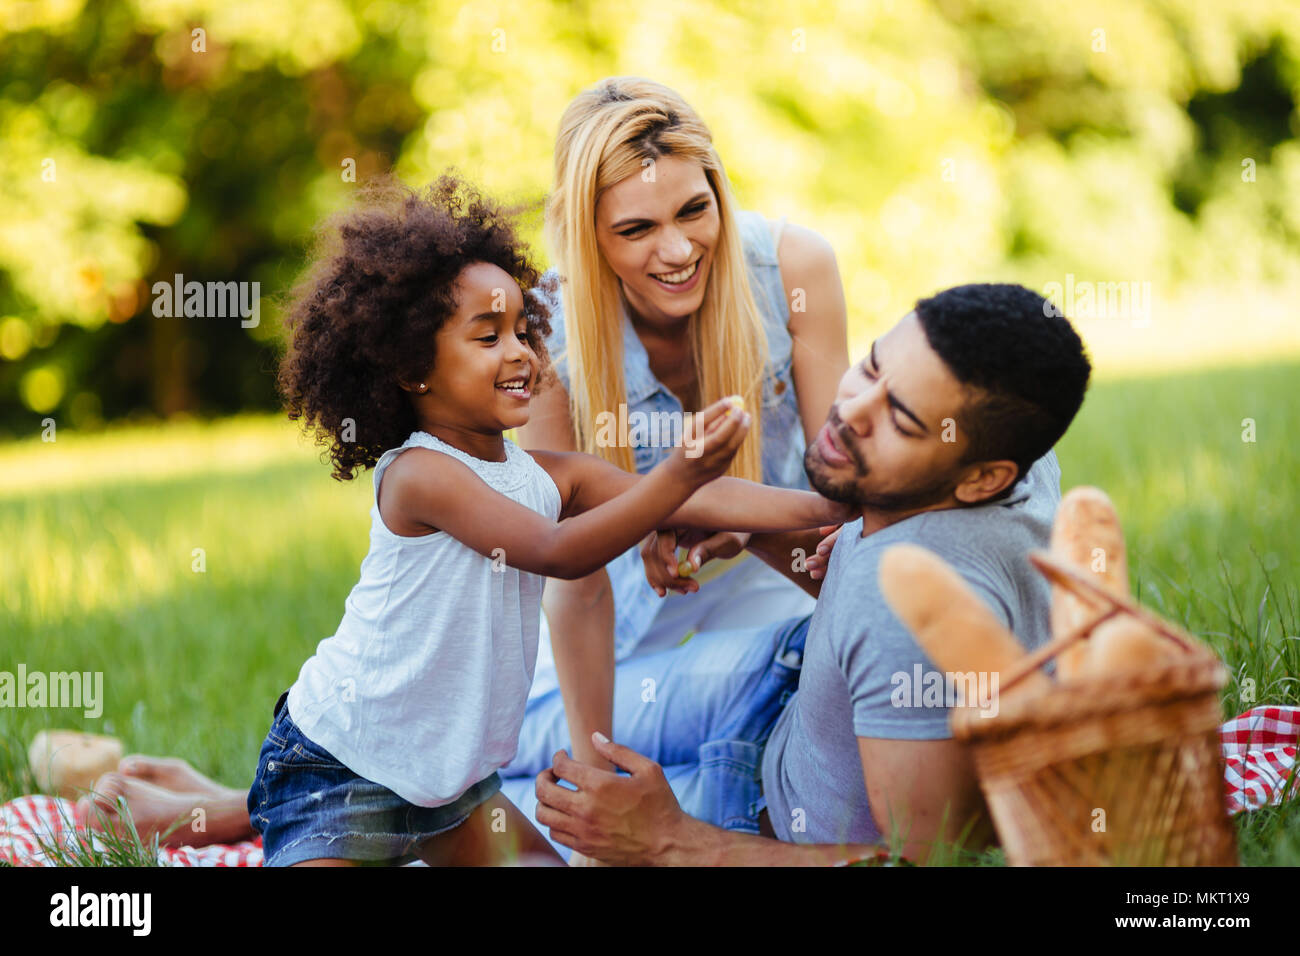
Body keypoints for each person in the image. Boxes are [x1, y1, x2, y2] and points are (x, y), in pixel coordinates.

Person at [249, 173, 849, 866]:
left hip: (451, 781)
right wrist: (683, 471)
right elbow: (558, 552)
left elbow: (690, 502)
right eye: (487, 337)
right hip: (339, 767)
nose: (522, 354)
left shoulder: (544, 473)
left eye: (523, 331)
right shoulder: (421, 476)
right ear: (414, 368)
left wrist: (835, 502)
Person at [532, 283, 1093, 864]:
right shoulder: (1018, 452)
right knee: (514, 732)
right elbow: (860, 618)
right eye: (872, 368)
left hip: (752, 823)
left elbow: (920, 863)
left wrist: (670, 840)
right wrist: (754, 531)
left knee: (489, 819)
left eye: (899, 418)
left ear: (983, 479)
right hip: (783, 684)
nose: (850, 412)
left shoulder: (902, 610)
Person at [504, 76, 851, 806]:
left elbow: (845, 499)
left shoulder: (794, 271)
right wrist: (597, 776)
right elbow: (577, 580)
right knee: (491, 752)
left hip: (770, 593)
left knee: (806, 720)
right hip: (613, 636)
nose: (677, 250)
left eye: (695, 210)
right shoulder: (542, 329)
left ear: (718, 190)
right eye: (635, 230)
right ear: (587, 234)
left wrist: (734, 523)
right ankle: (240, 805)